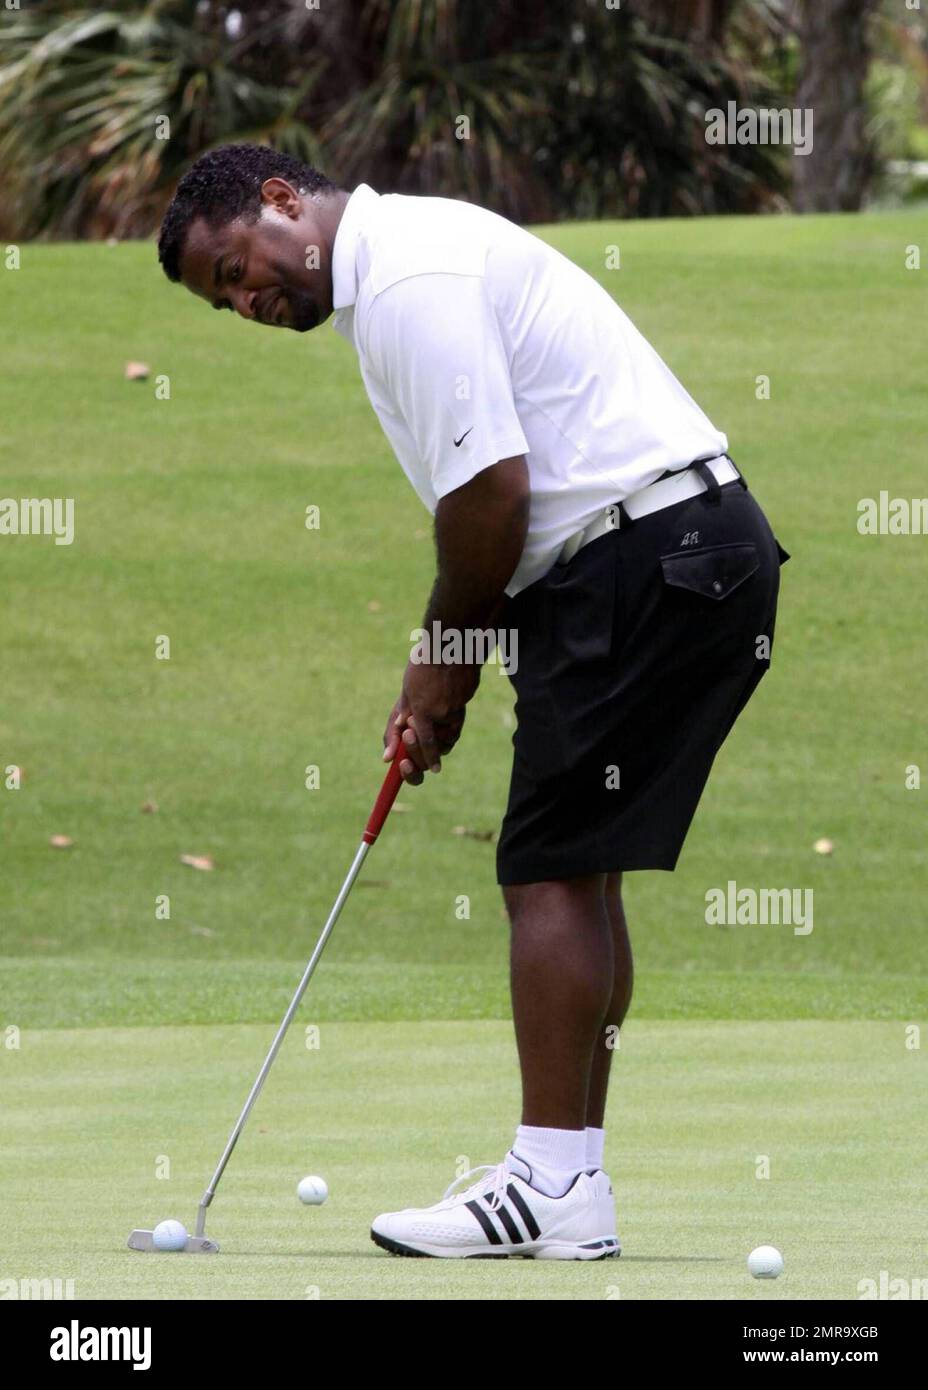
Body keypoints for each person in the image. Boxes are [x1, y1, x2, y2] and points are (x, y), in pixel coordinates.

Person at [159, 144, 787, 1260]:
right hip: (676, 552)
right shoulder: (401, 271)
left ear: (280, 200)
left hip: (644, 554)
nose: (247, 299)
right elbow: (492, 512)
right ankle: (569, 1182)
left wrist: (438, 662)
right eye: (226, 300)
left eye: (238, 267)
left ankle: (547, 1180)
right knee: (572, 862)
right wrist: (449, 661)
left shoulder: (406, 280)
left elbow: (491, 500)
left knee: (545, 865)